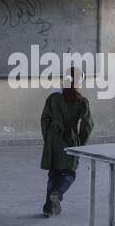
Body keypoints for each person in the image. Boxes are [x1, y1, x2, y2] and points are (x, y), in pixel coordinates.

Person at [39, 67, 94, 217]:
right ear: (79, 82)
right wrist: (80, 142)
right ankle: (58, 193)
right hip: (70, 139)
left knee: (53, 173)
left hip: (53, 138)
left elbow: (45, 120)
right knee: (69, 172)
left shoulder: (53, 98)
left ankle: (48, 209)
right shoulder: (82, 101)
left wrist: (48, 138)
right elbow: (87, 125)